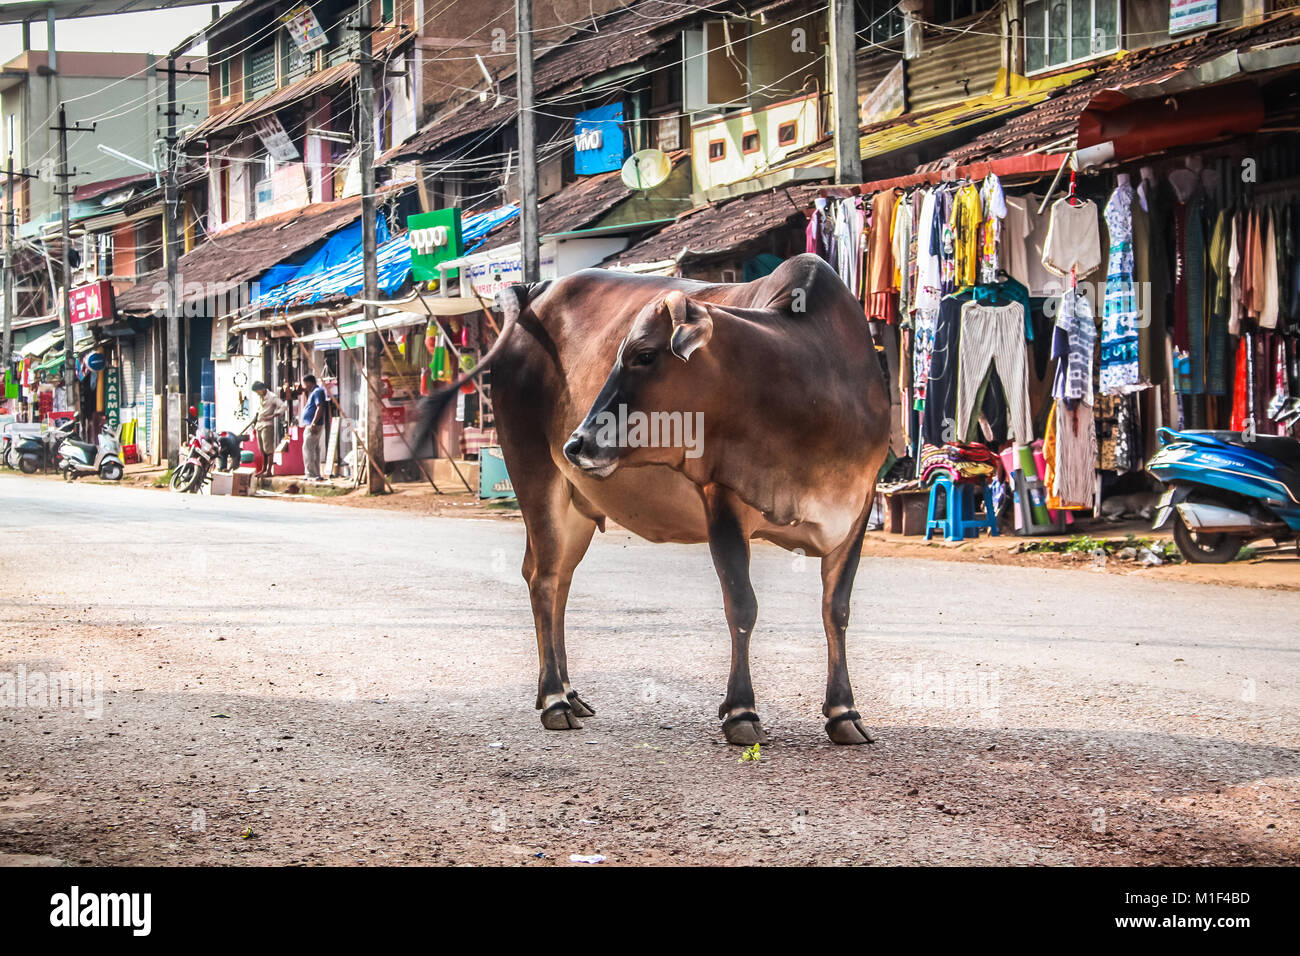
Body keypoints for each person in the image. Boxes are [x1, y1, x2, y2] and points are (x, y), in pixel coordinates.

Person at [251, 381, 286, 477]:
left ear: (262, 389)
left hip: (267, 424)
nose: (257, 393)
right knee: (262, 449)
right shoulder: (260, 398)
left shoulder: (272, 397)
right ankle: (263, 469)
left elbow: (283, 406)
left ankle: (269, 471)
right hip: (259, 424)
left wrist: (274, 415)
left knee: (268, 449)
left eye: (258, 391)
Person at [300, 374, 329, 480]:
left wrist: (313, 423)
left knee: (308, 448)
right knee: (314, 449)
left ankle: (310, 474)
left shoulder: (317, 392)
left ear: (308, 383)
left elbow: (320, 407)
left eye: (304, 384)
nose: (304, 387)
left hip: (313, 424)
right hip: (313, 424)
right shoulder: (315, 392)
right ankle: (315, 473)